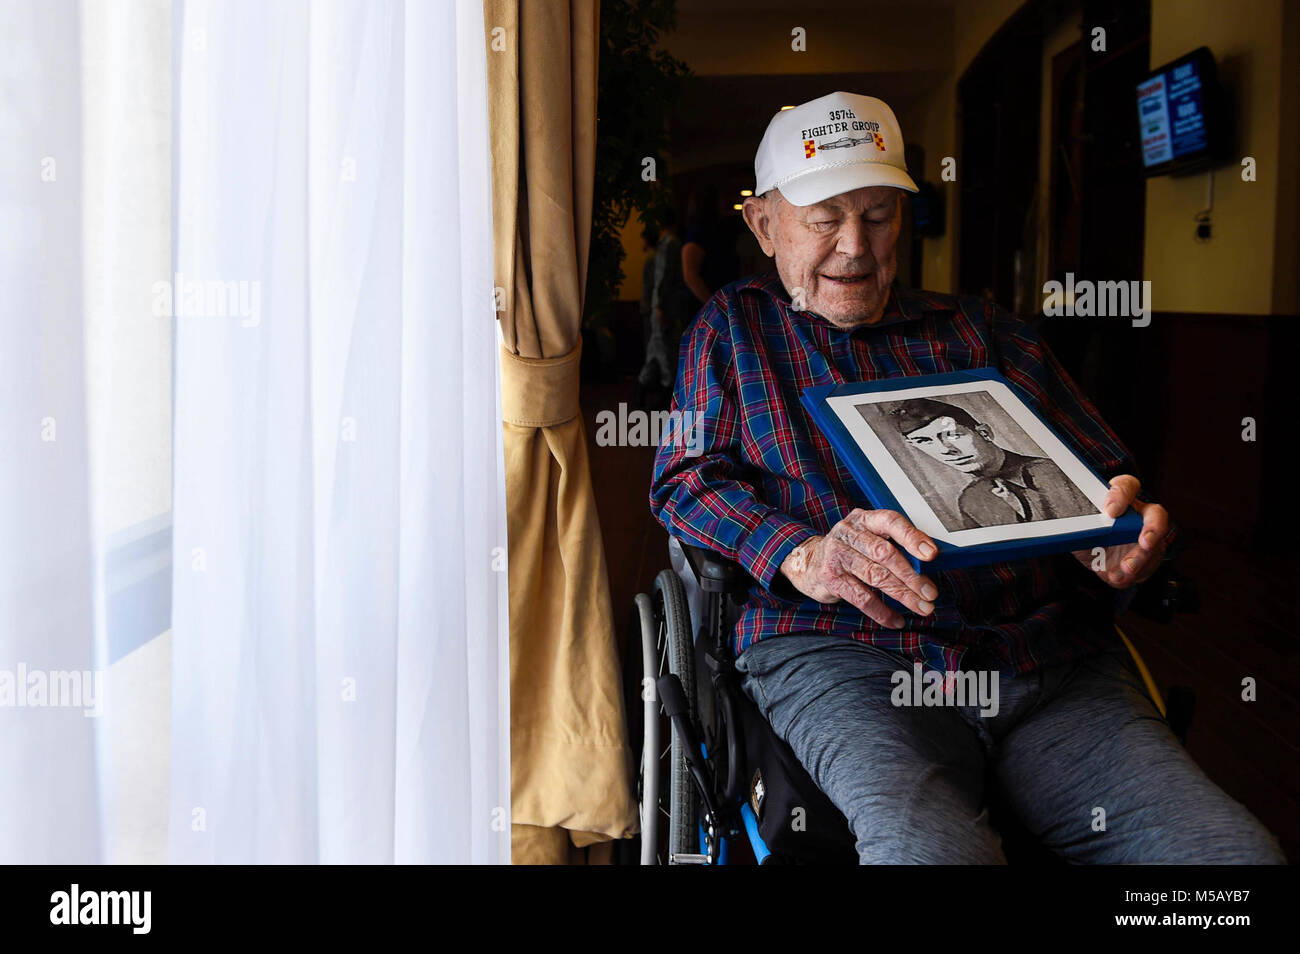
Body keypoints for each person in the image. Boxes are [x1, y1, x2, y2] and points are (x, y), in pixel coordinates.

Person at [649, 91, 1283, 864]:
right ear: (764, 224)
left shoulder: (988, 333)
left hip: (1044, 660)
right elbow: (684, 480)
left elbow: (1104, 481)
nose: (854, 246)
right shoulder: (735, 330)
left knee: (1231, 866)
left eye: (879, 216)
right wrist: (805, 554)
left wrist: (1118, 532)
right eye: (825, 219)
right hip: (846, 654)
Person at [890, 398, 1096, 527]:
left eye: (952, 435)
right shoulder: (970, 500)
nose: (945, 450)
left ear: (984, 432)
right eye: (924, 441)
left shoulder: (1053, 472)